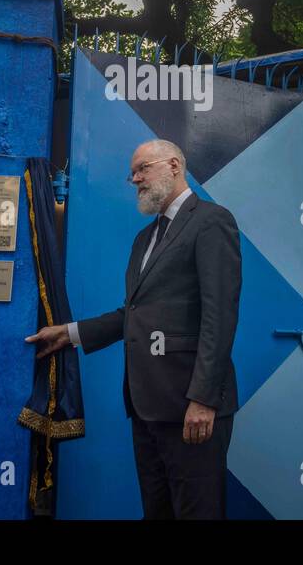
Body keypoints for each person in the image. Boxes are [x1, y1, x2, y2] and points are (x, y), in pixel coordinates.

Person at [26, 139, 241, 519]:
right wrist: (70, 333)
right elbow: (135, 313)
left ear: (174, 165)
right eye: (133, 172)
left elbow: (219, 314)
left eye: (143, 168)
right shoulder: (145, 238)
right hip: (146, 406)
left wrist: (204, 398)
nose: (135, 179)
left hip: (191, 406)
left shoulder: (211, 220)